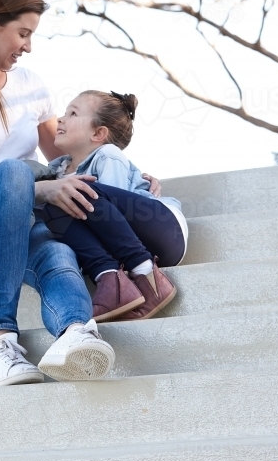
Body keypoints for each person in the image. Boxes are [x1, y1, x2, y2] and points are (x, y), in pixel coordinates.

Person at [0, 0, 160, 387]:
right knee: (12, 171)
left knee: (58, 254)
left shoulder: (30, 86)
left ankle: (77, 334)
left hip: (24, 224)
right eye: (22, 33)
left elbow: (68, 160)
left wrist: (130, 177)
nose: (27, 46)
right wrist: (41, 189)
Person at [37, 91, 188, 322]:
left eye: (73, 113)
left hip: (164, 230)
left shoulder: (108, 155)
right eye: (64, 112)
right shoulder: (55, 172)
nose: (60, 119)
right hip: (133, 243)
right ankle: (110, 279)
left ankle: (148, 275)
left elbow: (110, 219)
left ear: (98, 133)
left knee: (77, 191)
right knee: (55, 201)